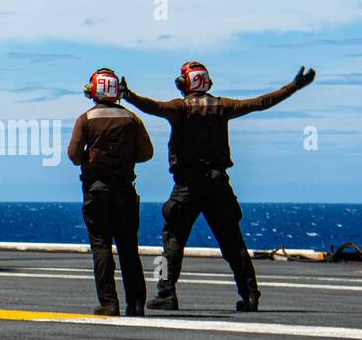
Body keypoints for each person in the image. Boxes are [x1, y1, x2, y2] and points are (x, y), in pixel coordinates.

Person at [123, 62, 316, 312]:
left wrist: (130, 96)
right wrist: (294, 86)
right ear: (207, 83)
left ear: (184, 83)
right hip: (218, 183)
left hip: (187, 185)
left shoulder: (180, 108)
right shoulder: (223, 106)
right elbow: (262, 102)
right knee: (233, 242)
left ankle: (166, 293)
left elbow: (153, 107)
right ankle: (250, 295)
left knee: (171, 241)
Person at [67, 68, 154, 316]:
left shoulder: (85, 119)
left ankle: (108, 302)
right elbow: (147, 153)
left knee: (101, 245)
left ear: (93, 90)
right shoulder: (132, 118)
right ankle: (136, 304)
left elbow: (74, 155)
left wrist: (91, 159)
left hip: (97, 189)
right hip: (125, 188)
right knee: (128, 247)